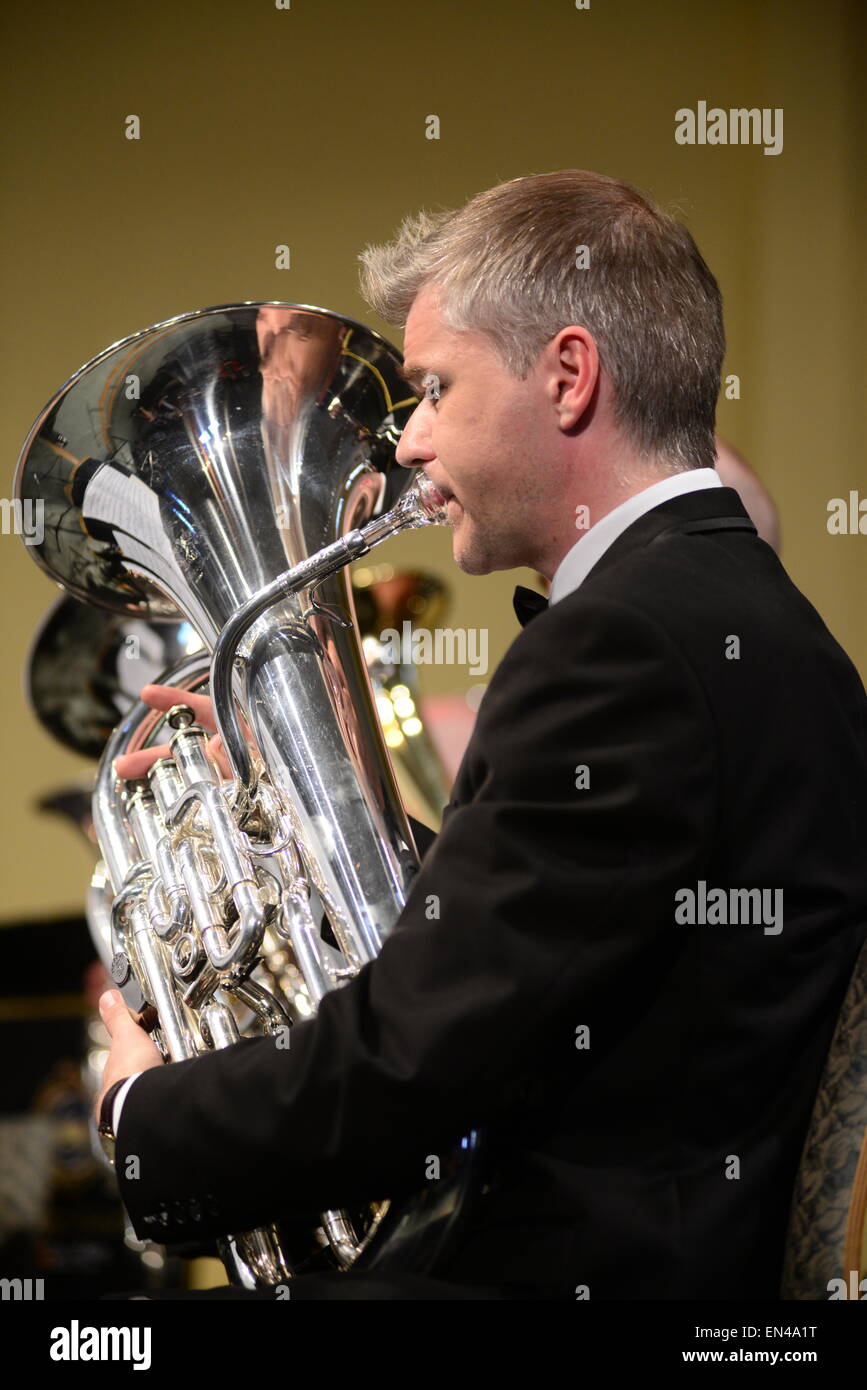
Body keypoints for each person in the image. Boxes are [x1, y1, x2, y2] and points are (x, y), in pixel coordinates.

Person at [96, 170, 867, 1300]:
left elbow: (415, 1063)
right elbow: (557, 939)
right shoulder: (725, 612)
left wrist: (142, 1116)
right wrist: (301, 806)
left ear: (566, 377)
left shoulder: (628, 643)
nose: (404, 444)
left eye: (434, 390)